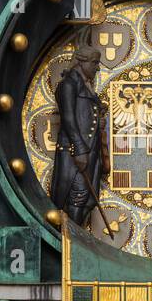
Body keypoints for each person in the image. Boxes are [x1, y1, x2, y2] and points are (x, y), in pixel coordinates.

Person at [50, 46, 108, 227]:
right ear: (81, 61)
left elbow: (84, 116)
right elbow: (68, 118)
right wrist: (80, 149)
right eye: (95, 63)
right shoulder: (68, 84)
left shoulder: (84, 84)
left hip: (89, 150)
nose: (97, 68)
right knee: (77, 196)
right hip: (76, 152)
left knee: (86, 199)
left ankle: (76, 235)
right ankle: (71, 239)